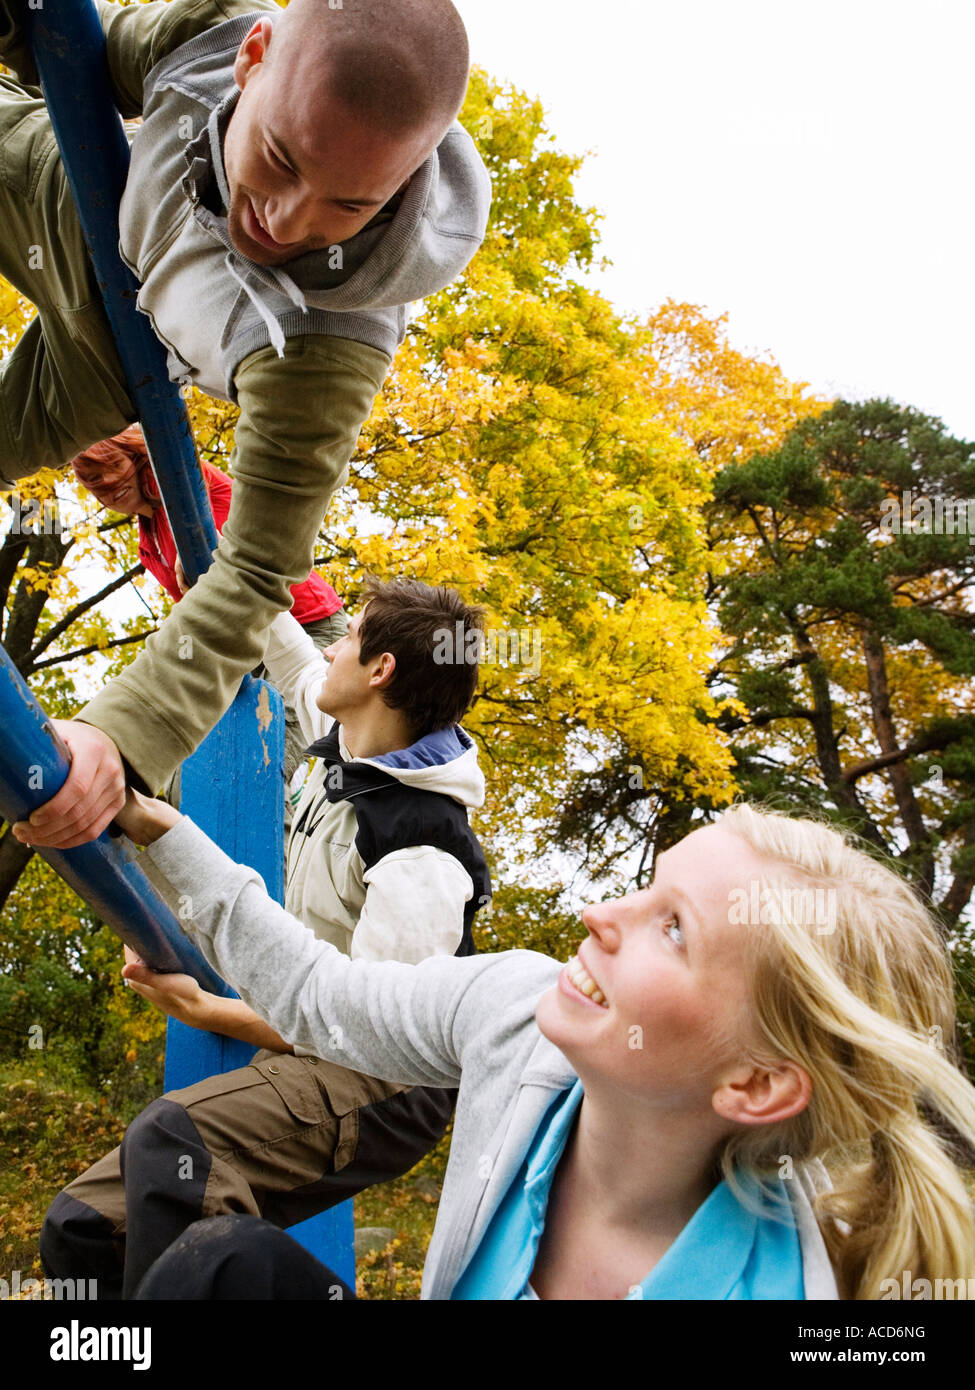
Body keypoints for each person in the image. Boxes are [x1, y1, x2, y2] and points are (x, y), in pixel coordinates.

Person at [61, 797, 975, 1300]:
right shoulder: (515, 1011)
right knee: (228, 1272)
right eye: (642, 888)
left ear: (755, 1083)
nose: (599, 915)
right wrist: (158, 828)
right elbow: (322, 994)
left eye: (673, 930)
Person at [0, 0, 491, 850]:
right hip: (79, 198)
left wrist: (123, 735)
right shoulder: (210, 35)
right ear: (253, 57)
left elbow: (258, 569)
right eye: (279, 159)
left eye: (346, 205)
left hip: (115, 359)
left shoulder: (333, 349)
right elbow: (65, 52)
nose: (288, 221)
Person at [37, 577, 492, 1299]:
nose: (331, 646)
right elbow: (276, 628)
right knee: (85, 1228)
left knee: (176, 1143)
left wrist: (210, 1011)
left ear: (379, 673)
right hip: (324, 1032)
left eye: (348, 637)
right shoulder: (346, 732)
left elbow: (361, 1029)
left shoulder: (421, 850)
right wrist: (217, 544)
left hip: (387, 1085)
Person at [72, 424, 349, 787]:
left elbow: (173, 452)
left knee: (265, 767)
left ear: (140, 457)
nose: (106, 484)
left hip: (304, 622)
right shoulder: (149, 533)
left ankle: (297, 820)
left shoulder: (186, 485)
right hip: (248, 648)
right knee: (207, 770)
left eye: (112, 467)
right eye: (93, 480)